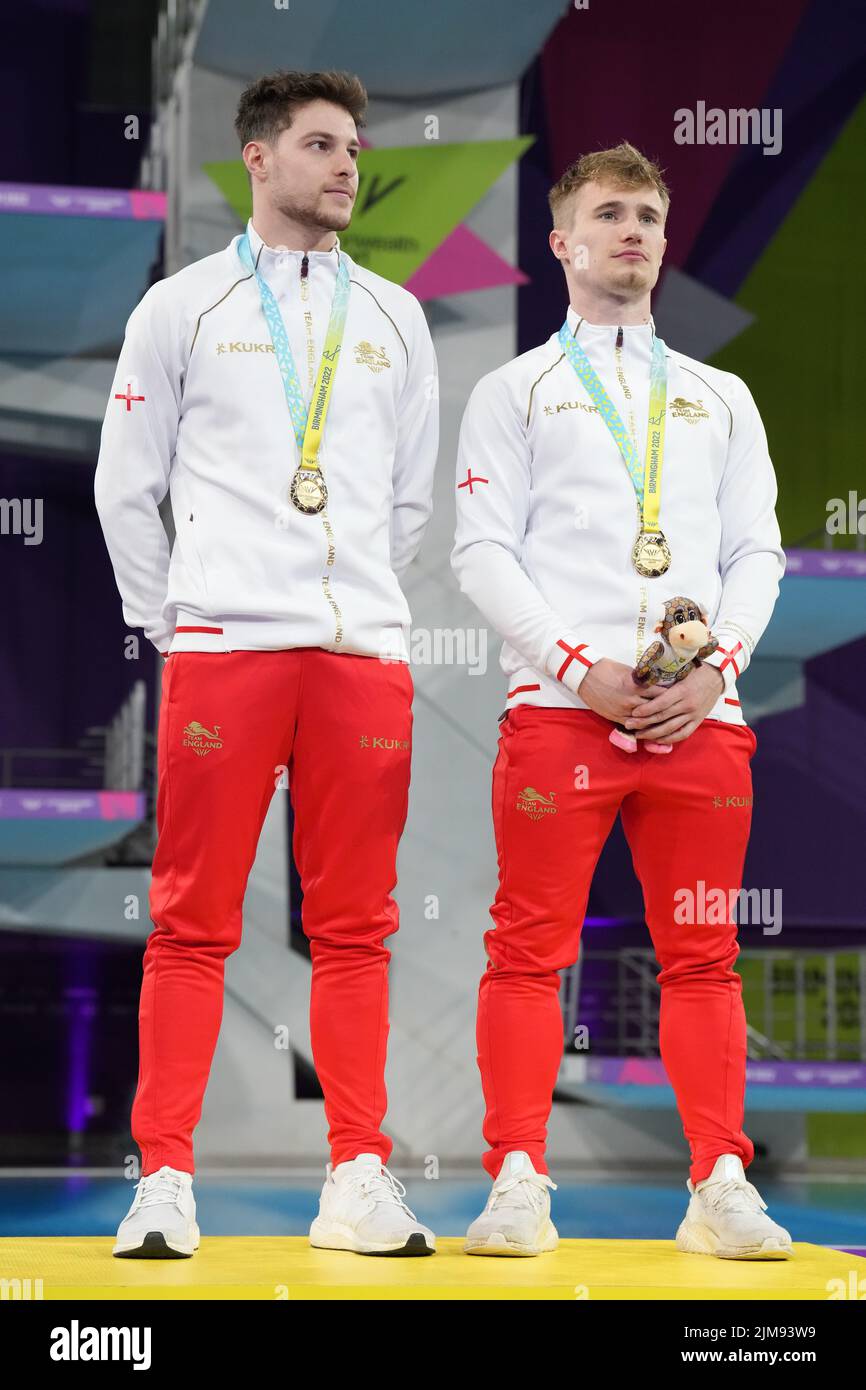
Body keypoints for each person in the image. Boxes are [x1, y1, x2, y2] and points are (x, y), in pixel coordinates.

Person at [95, 69, 439, 1259]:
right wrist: (180, 622)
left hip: (358, 658)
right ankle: (165, 1180)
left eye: (354, 146)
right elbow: (124, 487)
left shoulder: (395, 317)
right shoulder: (180, 307)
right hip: (224, 651)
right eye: (320, 144)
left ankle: (355, 1173)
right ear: (256, 157)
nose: (347, 165)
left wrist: (340, 606)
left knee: (356, 928)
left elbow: (403, 505)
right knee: (192, 924)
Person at [451, 142, 792, 1259]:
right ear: (561, 241)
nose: (633, 231)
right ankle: (514, 1175)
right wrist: (573, 665)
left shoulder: (720, 395)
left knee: (700, 956)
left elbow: (757, 551)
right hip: (559, 714)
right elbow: (479, 552)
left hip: (701, 722)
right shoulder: (516, 391)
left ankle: (718, 1181)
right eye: (608, 214)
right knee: (525, 951)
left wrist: (713, 670)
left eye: (647, 214)